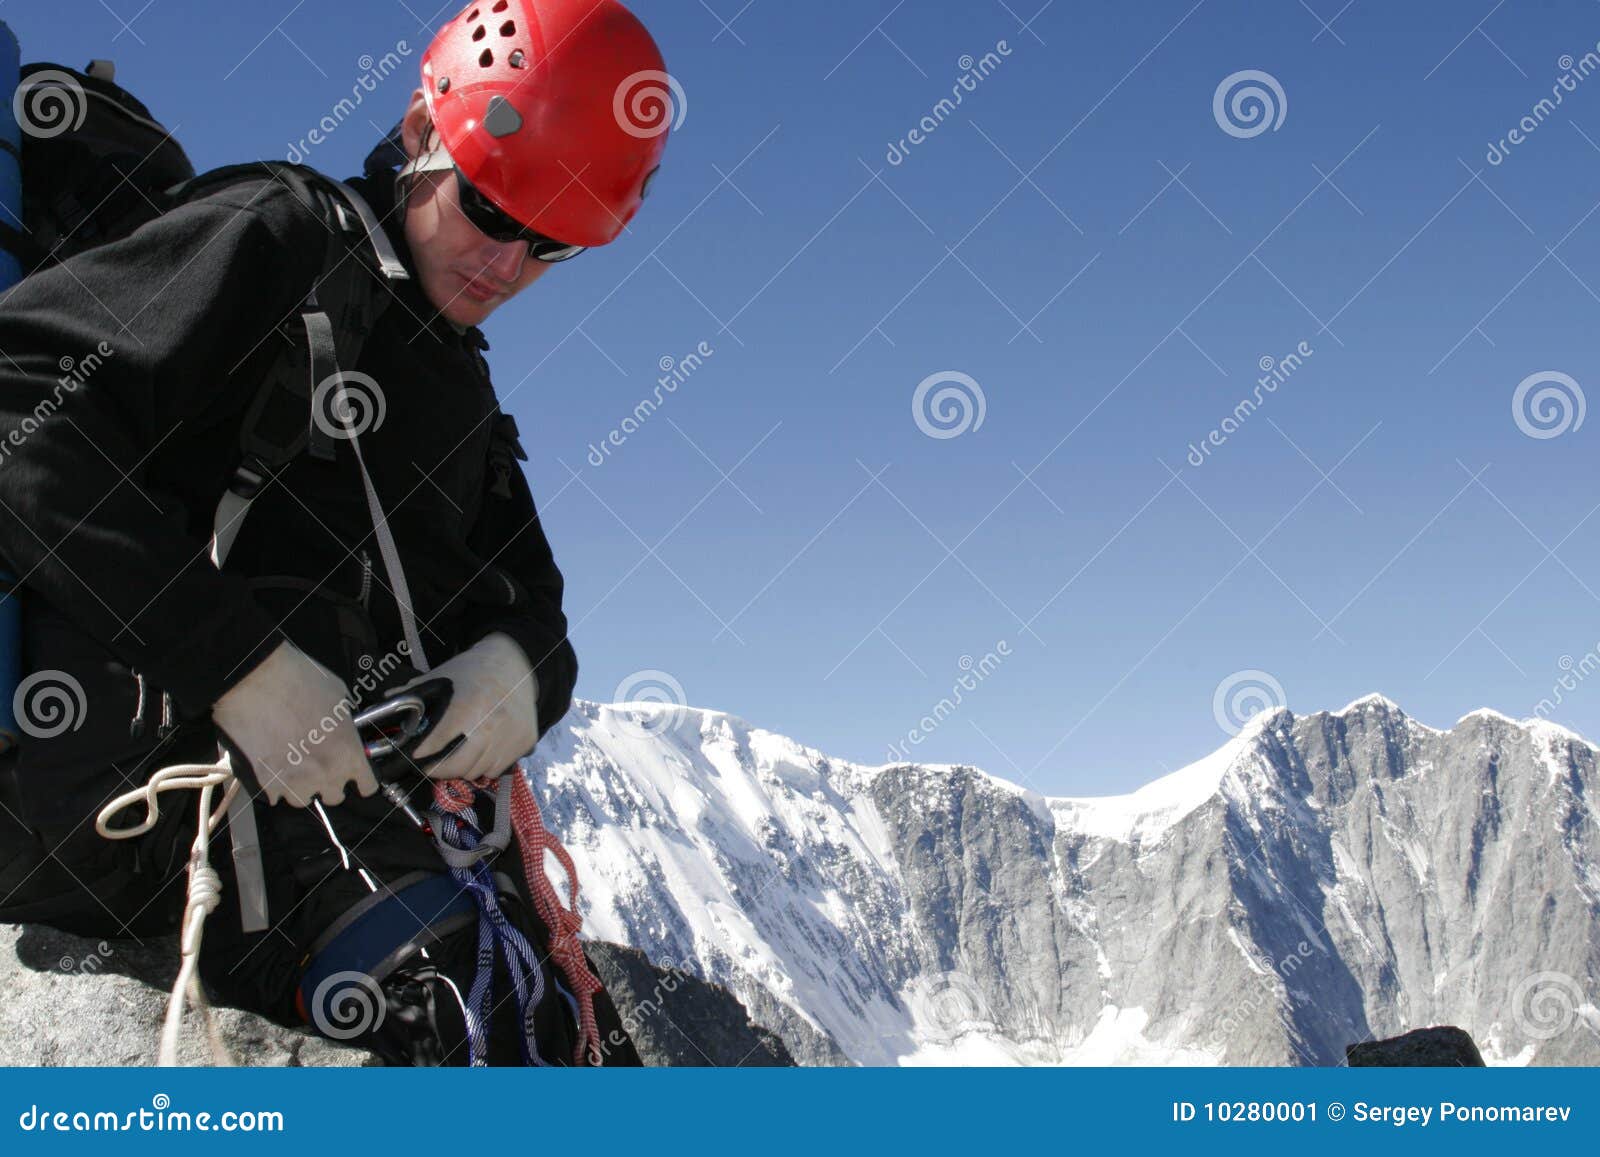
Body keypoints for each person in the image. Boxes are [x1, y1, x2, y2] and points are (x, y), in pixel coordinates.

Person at [0, 0, 670, 1066]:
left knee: (573, 1038)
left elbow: (527, 593)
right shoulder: (278, 236)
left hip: (337, 814)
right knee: (484, 1028)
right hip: (159, 797)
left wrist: (521, 670)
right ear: (419, 133)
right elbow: (18, 411)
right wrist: (237, 666)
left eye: (552, 245)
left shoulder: (448, 370)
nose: (508, 265)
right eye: (493, 213)